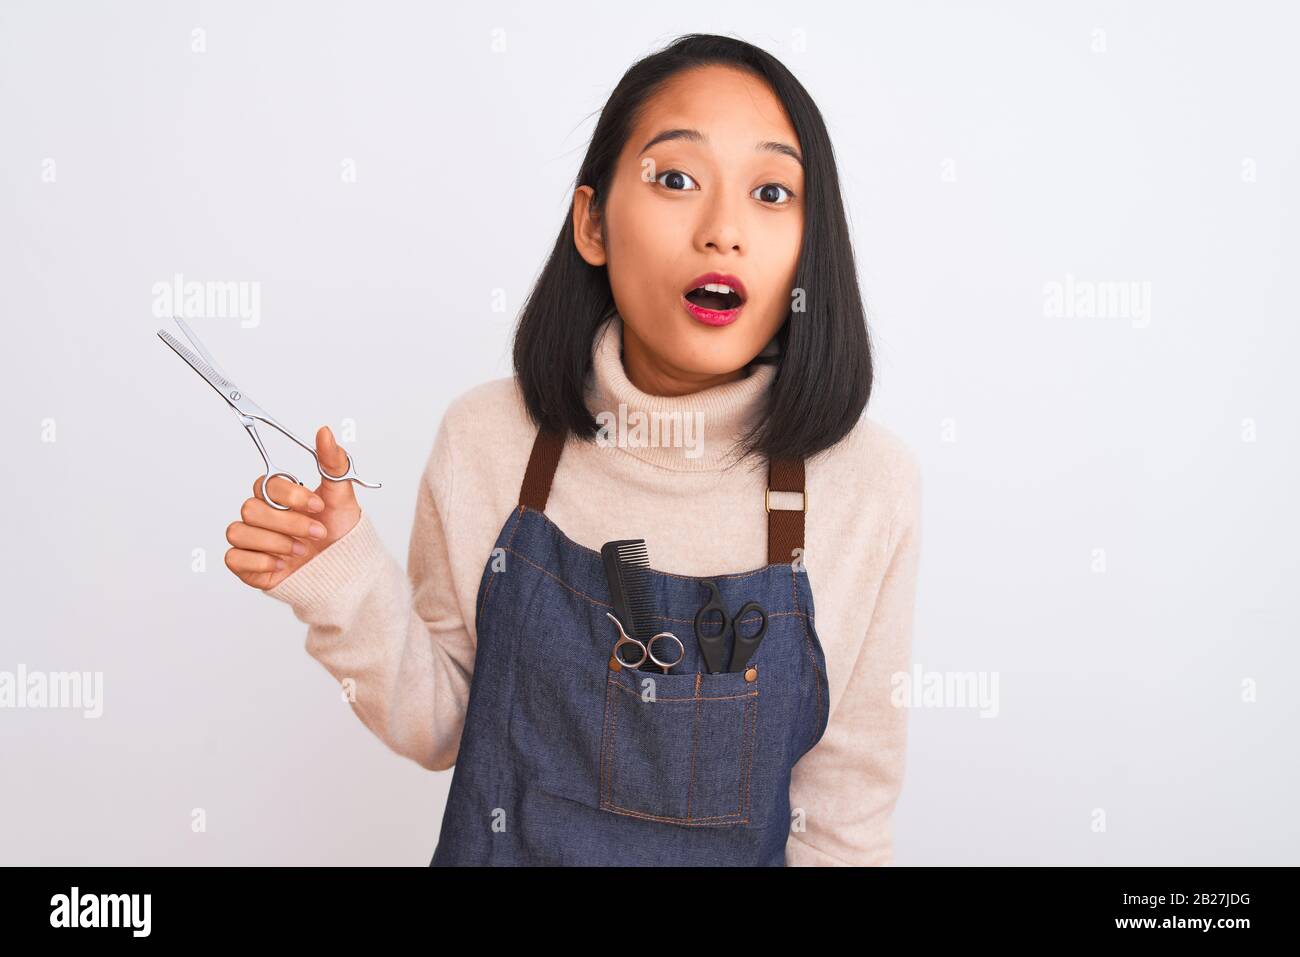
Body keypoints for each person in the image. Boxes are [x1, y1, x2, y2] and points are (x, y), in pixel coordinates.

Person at [222, 33, 922, 866]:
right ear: (592, 221)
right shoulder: (490, 437)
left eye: (772, 191)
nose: (724, 229)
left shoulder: (868, 486)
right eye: (676, 179)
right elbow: (441, 725)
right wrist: (338, 574)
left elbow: (841, 823)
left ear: (811, 245)